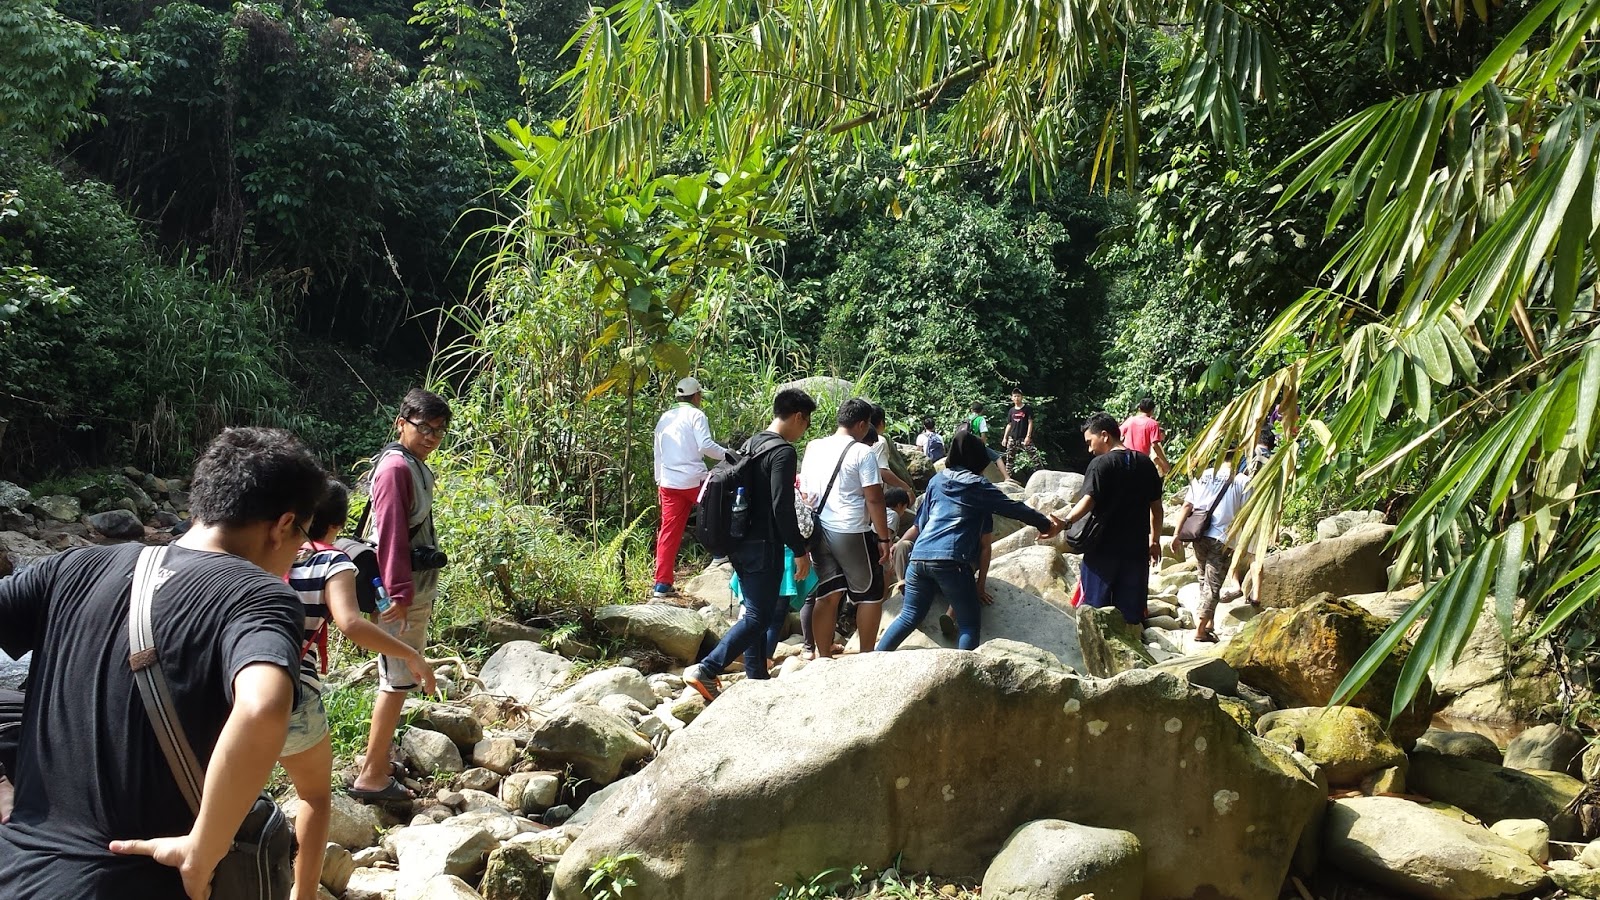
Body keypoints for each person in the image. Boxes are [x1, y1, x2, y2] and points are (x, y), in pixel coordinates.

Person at [0, 427, 324, 900]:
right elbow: (261, 708)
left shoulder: (70, 568)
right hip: (127, 882)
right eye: (302, 536)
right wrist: (204, 849)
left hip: (15, 870)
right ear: (283, 524)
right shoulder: (257, 594)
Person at [283, 481, 437, 898]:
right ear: (338, 523)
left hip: (237, 687)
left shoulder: (269, 554)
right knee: (314, 798)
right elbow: (350, 623)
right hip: (293, 692)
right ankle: (303, 894)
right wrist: (410, 654)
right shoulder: (332, 562)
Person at [351, 388, 451, 804]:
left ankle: (377, 758)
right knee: (397, 679)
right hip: (399, 590)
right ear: (401, 423)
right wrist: (398, 594)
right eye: (423, 427)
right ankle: (372, 777)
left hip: (407, 585)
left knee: (397, 675)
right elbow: (389, 534)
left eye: (438, 431)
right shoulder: (396, 468)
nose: (430, 436)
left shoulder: (411, 464)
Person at [684, 388, 816, 701]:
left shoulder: (752, 444)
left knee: (756, 613)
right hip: (764, 546)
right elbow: (781, 505)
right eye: (806, 422)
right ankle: (708, 667)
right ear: (798, 417)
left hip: (739, 543)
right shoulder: (782, 452)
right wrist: (799, 550)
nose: (804, 429)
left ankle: (757, 678)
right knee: (760, 616)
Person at [878, 432, 1062, 651]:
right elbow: (1013, 508)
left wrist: (897, 546)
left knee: (908, 617)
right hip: (951, 562)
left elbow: (920, 524)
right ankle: (966, 677)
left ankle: (874, 659)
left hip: (918, 559)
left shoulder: (936, 481)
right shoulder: (978, 485)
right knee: (969, 625)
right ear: (977, 459)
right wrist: (1045, 524)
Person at [798, 398, 892, 659]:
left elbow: (805, 490)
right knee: (870, 594)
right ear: (862, 424)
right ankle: (866, 656)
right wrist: (884, 538)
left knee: (828, 593)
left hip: (818, 529)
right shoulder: (863, 452)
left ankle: (823, 656)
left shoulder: (813, 446)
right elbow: (874, 498)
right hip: (851, 530)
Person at [1063, 413, 1165, 626]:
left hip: (1102, 550)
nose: (1090, 449)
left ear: (1104, 435)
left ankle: (1098, 656)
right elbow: (1156, 508)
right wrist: (1154, 541)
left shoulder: (1100, 464)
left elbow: (1088, 500)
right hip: (1135, 552)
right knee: (1130, 615)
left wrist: (1065, 522)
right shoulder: (1146, 464)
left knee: (1095, 611)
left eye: (1090, 442)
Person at [652, 377, 727, 598]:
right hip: (694, 480)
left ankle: (661, 584)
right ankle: (721, 554)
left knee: (668, 531)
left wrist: (659, 481)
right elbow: (705, 445)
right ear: (696, 396)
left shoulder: (664, 418)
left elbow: (658, 452)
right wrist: (729, 454)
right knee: (718, 513)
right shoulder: (696, 415)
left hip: (668, 483)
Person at [1171, 464, 1250, 642]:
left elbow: (1186, 506)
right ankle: (1200, 629)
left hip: (1199, 533)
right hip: (1222, 538)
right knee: (1213, 584)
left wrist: (1177, 534)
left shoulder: (1204, 475)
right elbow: (1246, 513)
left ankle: (1208, 623)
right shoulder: (1242, 480)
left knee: (1202, 579)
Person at [867, 404, 916, 495]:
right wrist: (907, 488)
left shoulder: (858, 439)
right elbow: (883, 471)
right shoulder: (879, 440)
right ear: (882, 422)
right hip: (878, 494)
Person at [1121, 397, 1170, 476]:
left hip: (1126, 457)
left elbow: (1118, 435)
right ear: (1152, 411)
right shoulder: (1153, 424)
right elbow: (1155, 445)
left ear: (1139, 408)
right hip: (1141, 459)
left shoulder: (1130, 420)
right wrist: (1165, 463)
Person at [1000, 389, 1034, 466]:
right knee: (1009, 460)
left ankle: (1041, 474)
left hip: (1024, 437)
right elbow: (1009, 424)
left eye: (1018, 396)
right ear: (1012, 398)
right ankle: (1008, 477)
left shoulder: (1027, 409)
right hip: (1012, 438)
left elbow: (1030, 422)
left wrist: (1028, 436)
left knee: (1034, 458)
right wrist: (1005, 437)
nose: (1016, 398)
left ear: (1022, 397)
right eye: (1015, 396)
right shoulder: (1011, 411)